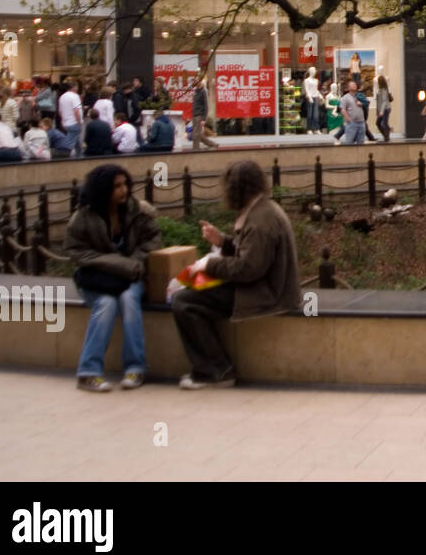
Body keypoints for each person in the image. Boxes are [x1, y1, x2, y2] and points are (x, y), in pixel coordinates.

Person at [173, 160, 302, 389]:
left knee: (185, 302)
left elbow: (248, 269)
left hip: (266, 293)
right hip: (266, 287)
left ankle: (216, 370)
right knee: (191, 296)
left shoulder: (261, 220)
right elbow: (253, 255)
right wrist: (222, 241)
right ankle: (216, 369)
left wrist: (209, 265)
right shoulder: (262, 209)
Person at [64, 164, 160, 392]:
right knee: (106, 304)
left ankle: (136, 367)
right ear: (102, 188)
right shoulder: (83, 216)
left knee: (128, 299)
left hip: (131, 277)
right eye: (116, 186)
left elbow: (153, 240)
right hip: (97, 279)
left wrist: (134, 262)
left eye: (125, 184)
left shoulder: (137, 210)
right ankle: (88, 373)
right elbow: (76, 251)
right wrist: (121, 265)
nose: (123, 190)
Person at [58, 79, 84, 158]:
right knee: (69, 143)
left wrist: (62, 120)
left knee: (76, 140)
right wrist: (79, 121)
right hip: (74, 122)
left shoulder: (62, 97)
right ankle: (63, 155)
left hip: (66, 123)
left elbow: (60, 111)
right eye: (77, 86)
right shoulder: (75, 96)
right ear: (74, 87)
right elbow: (76, 110)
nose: (78, 88)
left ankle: (79, 155)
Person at [190, 76, 218, 149]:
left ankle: (195, 149)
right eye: (194, 81)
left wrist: (204, 119)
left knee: (196, 134)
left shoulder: (203, 91)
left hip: (199, 115)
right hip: (194, 115)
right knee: (197, 134)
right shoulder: (195, 91)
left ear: (199, 81)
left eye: (196, 80)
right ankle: (212, 144)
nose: (194, 82)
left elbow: (206, 106)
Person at [339, 80, 366, 144]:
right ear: (348, 88)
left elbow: (366, 103)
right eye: (352, 84)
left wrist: (362, 103)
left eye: (355, 84)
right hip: (352, 123)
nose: (354, 85)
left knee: (361, 142)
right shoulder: (345, 98)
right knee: (349, 142)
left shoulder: (360, 96)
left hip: (361, 122)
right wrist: (347, 118)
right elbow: (342, 108)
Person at [375, 74, 392, 142]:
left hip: (385, 109)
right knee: (379, 123)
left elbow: (384, 101)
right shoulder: (380, 89)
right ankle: (386, 134)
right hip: (383, 109)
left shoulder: (384, 90)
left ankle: (386, 135)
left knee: (384, 123)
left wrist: (381, 111)